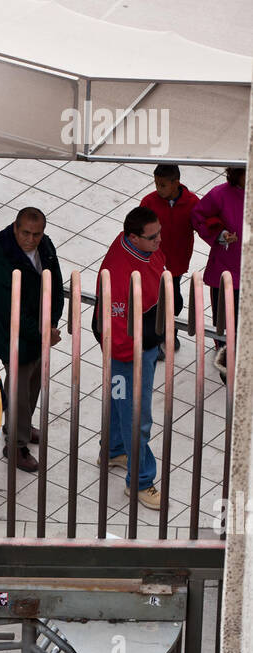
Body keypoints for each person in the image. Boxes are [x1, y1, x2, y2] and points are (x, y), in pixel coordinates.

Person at [93, 205, 167, 511]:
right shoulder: (121, 275)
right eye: (153, 237)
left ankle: (113, 450)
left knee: (119, 402)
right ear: (133, 238)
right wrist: (131, 361)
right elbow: (118, 330)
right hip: (129, 354)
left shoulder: (139, 248)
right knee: (137, 416)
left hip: (140, 342)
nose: (160, 241)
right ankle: (139, 482)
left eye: (160, 233)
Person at [0, 207, 64, 474]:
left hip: (38, 331)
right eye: (26, 233)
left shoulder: (45, 246)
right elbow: (10, 308)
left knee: (33, 382)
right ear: (16, 228)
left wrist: (51, 323)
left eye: (37, 234)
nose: (31, 239)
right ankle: (15, 444)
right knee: (19, 388)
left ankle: (22, 426)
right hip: (13, 335)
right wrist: (44, 331)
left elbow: (55, 283)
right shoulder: (1, 253)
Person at [191, 167, 245, 379]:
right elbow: (198, 216)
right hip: (226, 270)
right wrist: (220, 235)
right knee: (223, 317)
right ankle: (224, 354)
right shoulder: (219, 194)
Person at [141, 163, 198, 360]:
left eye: (163, 185)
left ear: (176, 183)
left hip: (177, 262)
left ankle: (170, 332)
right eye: (156, 184)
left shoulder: (192, 203)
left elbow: (203, 225)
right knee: (154, 302)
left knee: (174, 299)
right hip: (153, 263)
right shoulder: (149, 202)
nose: (158, 189)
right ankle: (154, 341)